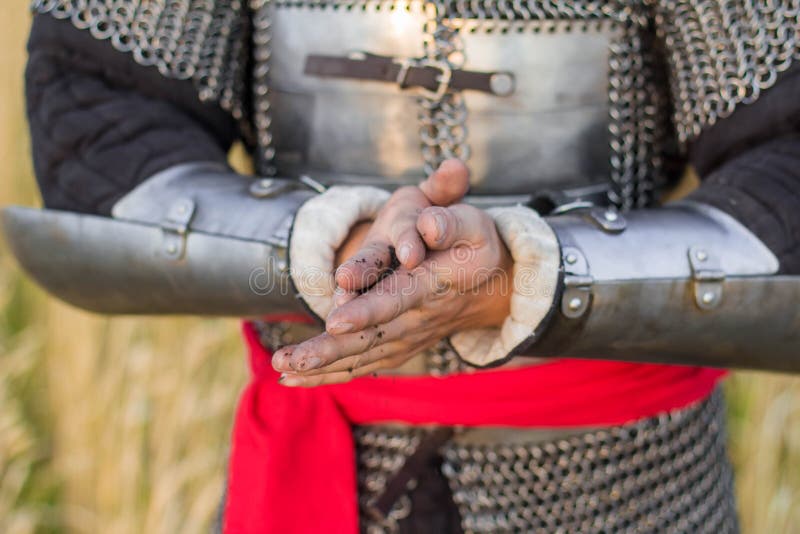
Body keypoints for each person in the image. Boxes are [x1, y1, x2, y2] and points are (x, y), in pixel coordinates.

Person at [12, 0, 800, 532]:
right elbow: (101, 117)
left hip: (627, 475)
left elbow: (785, 162)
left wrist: (528, 275)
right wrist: (330, 246)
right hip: (316, 455)